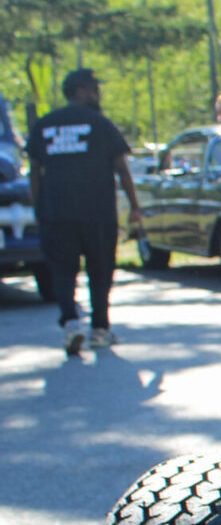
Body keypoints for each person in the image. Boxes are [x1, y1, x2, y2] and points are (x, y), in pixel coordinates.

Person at [24, 67, 141, 355]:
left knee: (62, 272)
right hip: (97, 212)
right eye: (94, 89)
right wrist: (135, 206)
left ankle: (71, 323)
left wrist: (39, 207)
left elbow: (35, 172)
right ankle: (100, 329)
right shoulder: (99, 123)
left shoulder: (44, 125)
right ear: (81, 91)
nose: (97, 95)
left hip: (56, 213)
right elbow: (121, 168)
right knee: (100, 270)